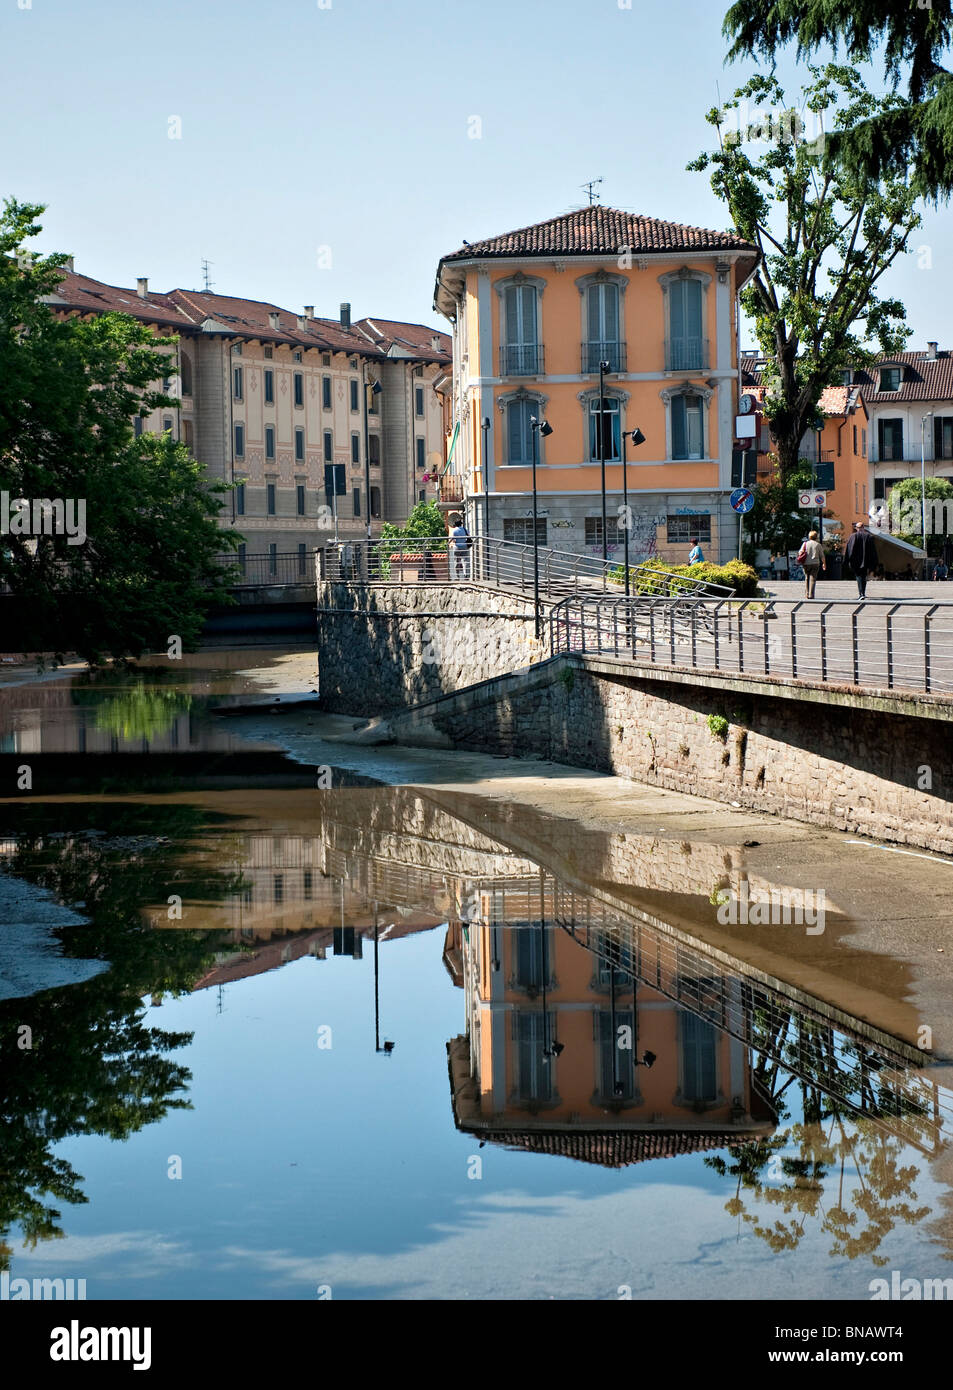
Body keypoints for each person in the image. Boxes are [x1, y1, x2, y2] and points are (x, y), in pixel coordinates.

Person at [844, 520, 878, 599]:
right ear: (863, 527)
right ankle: (863, 592)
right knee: (864, 576)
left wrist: (848, 560)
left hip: (856, 561)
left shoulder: (853, 536)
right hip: (866, 561)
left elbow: (850, 549)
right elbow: (873, 551)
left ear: (857, 528)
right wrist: (873, 561)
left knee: (858, 576)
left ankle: (861, 593)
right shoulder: (869, 536)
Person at [799, 530, 825, 598]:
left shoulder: (805, 544)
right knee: (813, 579)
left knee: (807, 578)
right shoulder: (818, 545)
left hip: (806, 563)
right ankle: (811, 594)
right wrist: (824, 564)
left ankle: (807, 594)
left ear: (809, 536)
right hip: (815, 563)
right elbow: (822, 555)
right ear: (816, 537)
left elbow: (800, 552)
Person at [449, 515, 470, 580]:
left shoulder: (454, 531)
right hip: (464, 546)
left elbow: (453, 539)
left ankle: (457, 576)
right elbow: (469, 536)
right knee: (465, 561)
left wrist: (449, 543)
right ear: (461, 524)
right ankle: (466, 575)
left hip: (457, 547)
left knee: (457, 561)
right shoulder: (464, 529)